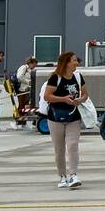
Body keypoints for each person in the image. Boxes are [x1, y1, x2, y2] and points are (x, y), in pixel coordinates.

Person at [43, 51, 87, 189]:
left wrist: (80, 99)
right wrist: (63, 99)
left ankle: (73, 174)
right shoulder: (55, 78)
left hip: (73, 116)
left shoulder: (78, 77)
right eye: (74, 60)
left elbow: (85, 94)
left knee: (73, 145)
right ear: (66, 62)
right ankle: (62, 176)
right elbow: (47, 96)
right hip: (55, 117)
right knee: (59, 148)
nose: (77, 63)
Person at [13, 56, 40, 127]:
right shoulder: (23, 68)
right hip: (22, 90)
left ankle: (23, 122)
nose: (35, 65)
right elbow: (19, 77)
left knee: (26, 106)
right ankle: (19, 122)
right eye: (34, 64)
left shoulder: (30, 70)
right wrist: (29, 82)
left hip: (27, 90)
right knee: (21, 106)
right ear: (30, 63)